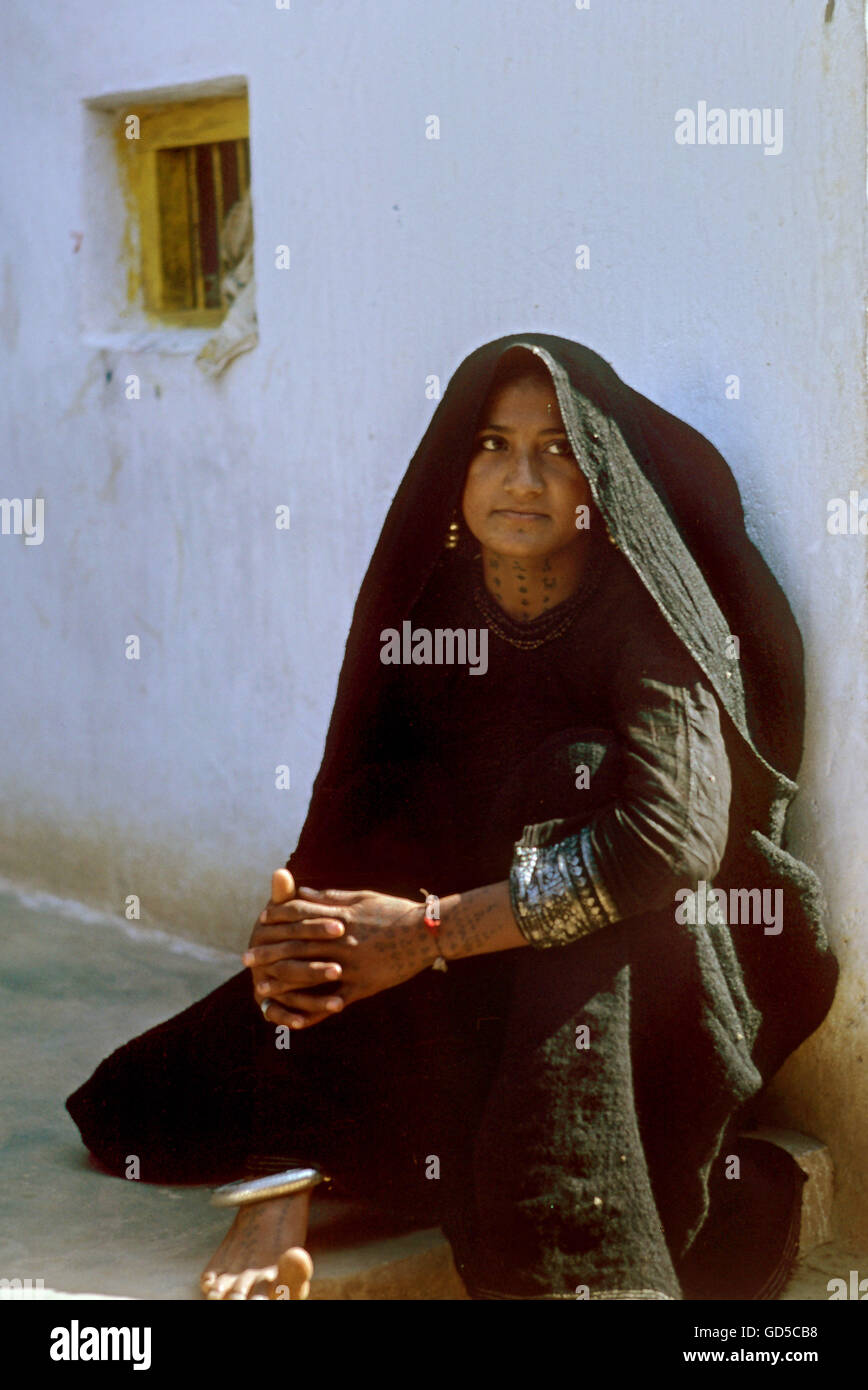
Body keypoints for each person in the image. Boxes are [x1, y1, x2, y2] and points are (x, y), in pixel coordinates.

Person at [66, 334, 838, 1301]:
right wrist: (306, 955)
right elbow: (356, 832)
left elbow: (670, 842)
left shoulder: (641, 613)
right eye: (491, 444)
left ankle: (577, 1260)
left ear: (599, 477)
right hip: (474, 957)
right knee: (138, 1108)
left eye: (556, 448)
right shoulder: (430, 612)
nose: (522, 478)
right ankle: (309, 1171)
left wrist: (424, 934)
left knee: (577, 776)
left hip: (652, 971)